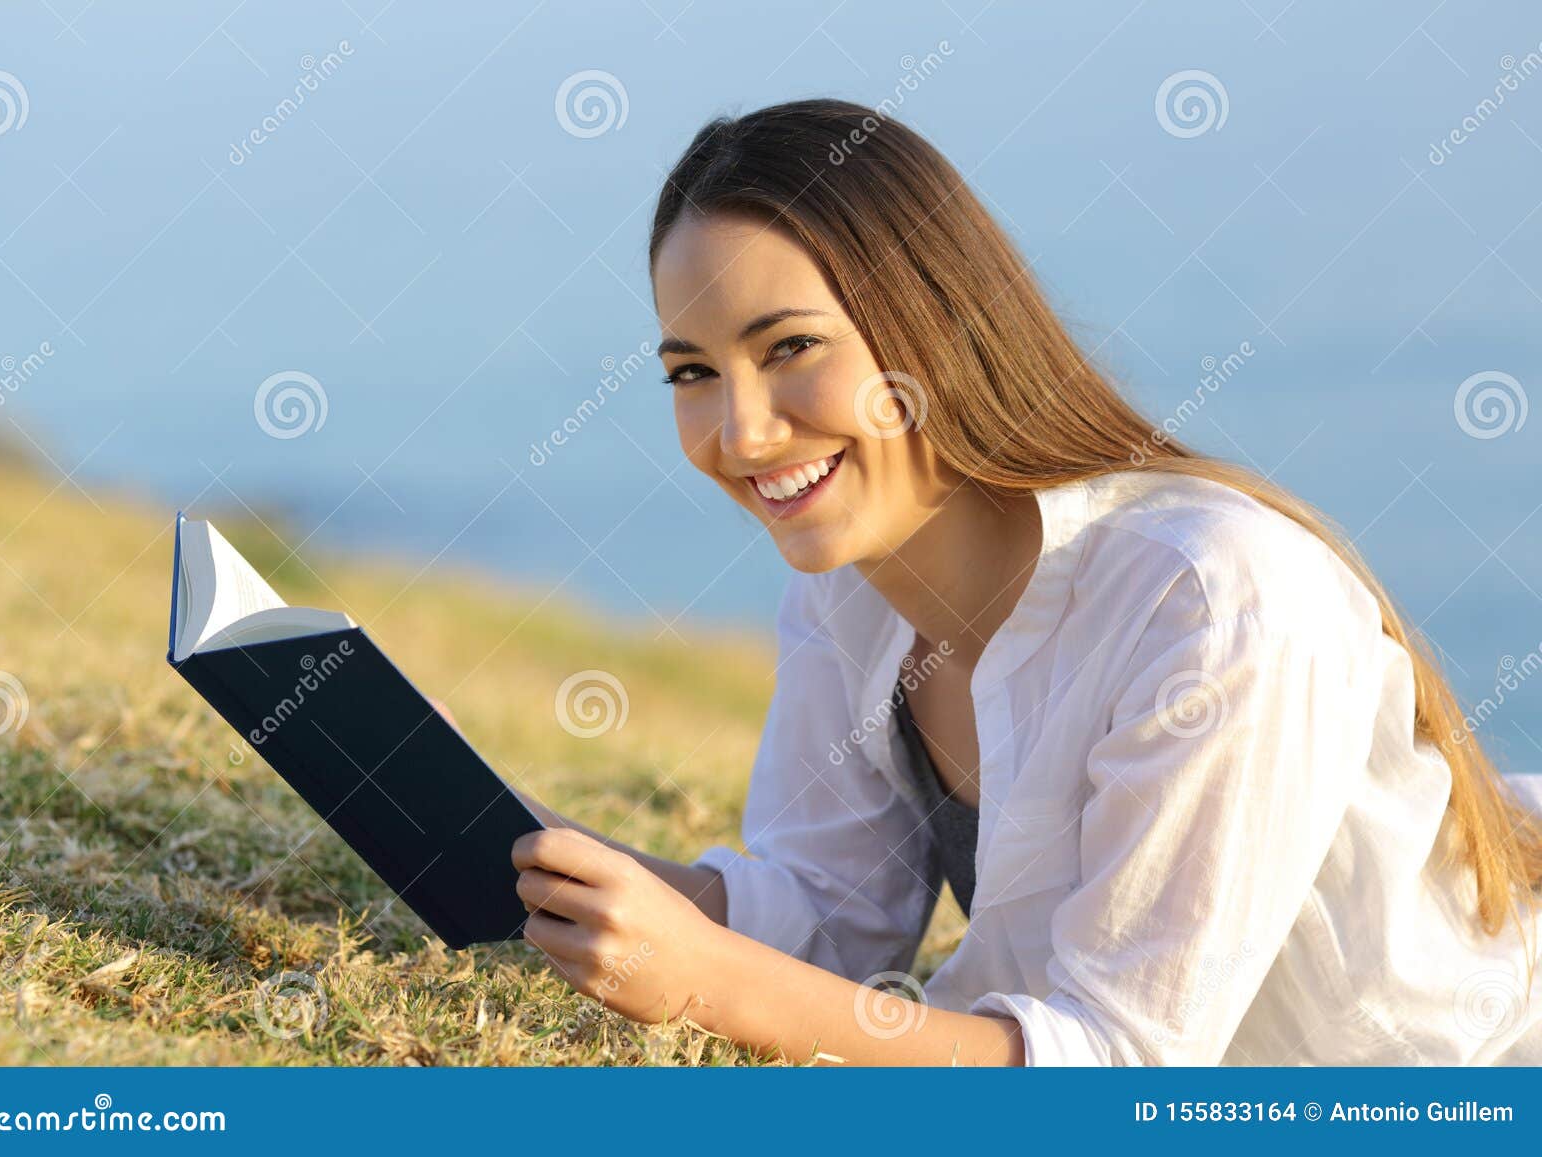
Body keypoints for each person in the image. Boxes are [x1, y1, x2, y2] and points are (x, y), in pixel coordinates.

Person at [507, 99, 1542, 1066]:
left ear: (937, 324)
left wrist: (703, 979)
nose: (740, 431)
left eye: (791, 347)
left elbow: (1118, 1075)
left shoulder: (1213, 596)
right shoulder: (851, 580)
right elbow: (828, 911)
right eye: (691, 371)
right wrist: (553, 862)